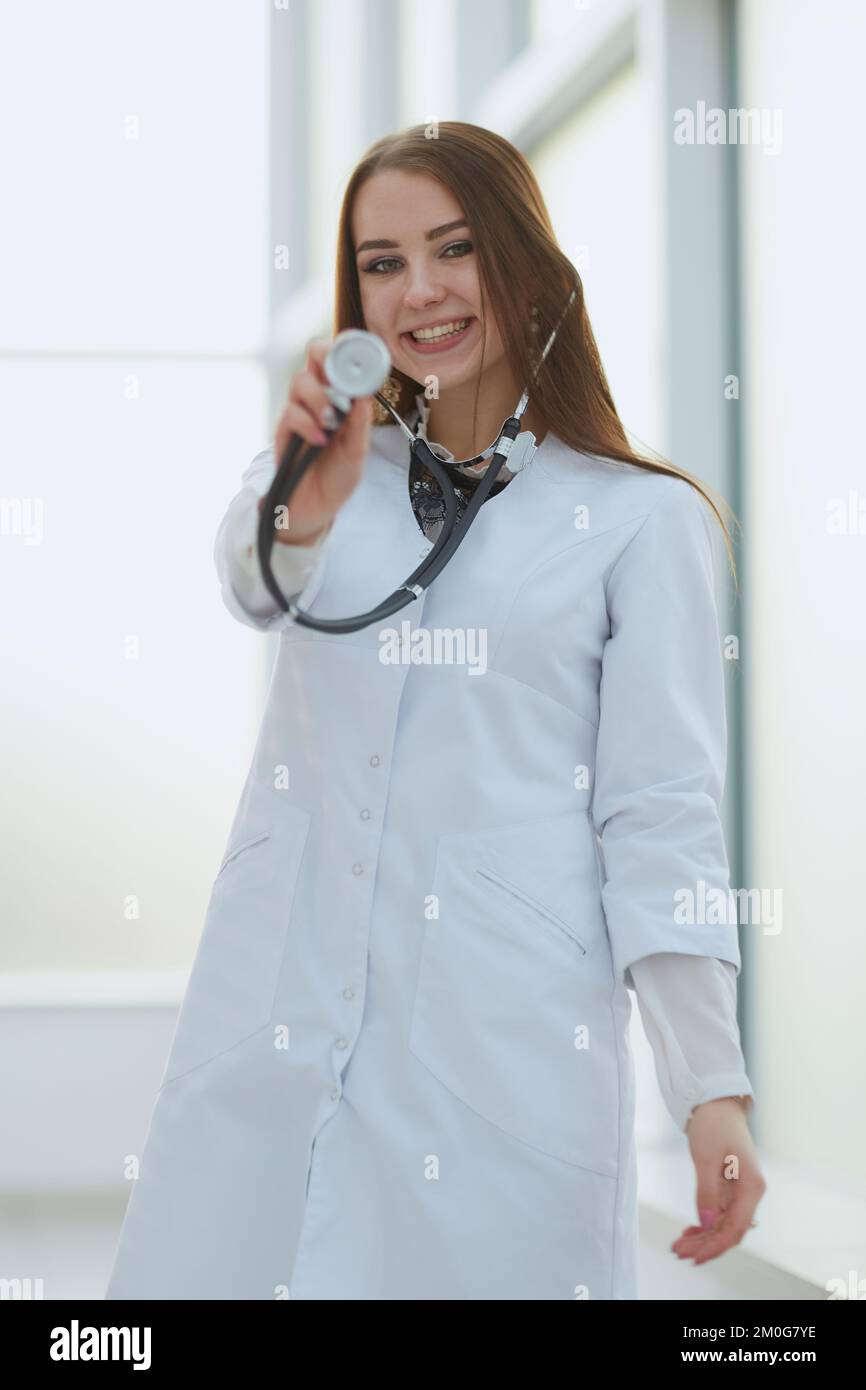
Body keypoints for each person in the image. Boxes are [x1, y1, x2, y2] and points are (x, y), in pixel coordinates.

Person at [105, 121, 765, 1302]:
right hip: (278, 1008)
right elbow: (249, 581)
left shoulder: (634, 520)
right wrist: (308, 493)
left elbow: (658, 816)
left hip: (500, 1036)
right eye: (380, 261)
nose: (419, 291)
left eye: (453, 249)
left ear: (524, 264)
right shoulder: (322, 476)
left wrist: (707, 1082)